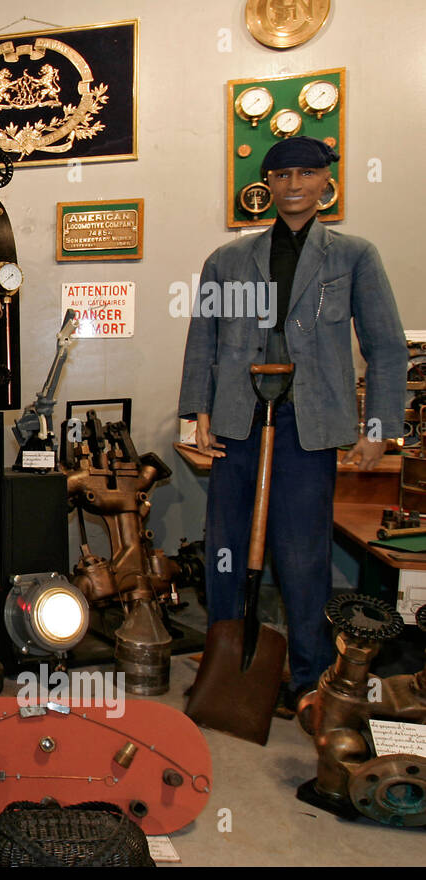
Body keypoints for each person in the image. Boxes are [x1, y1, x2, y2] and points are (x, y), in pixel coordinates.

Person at [178, 136, 407, 710]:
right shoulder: (226, 261)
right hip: (237, 421)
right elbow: (202, 340)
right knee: (226, 547)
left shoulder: (354, 255)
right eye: (281, 175)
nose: (294, 184)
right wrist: (198, 413)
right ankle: (224, 665)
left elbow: (385, 347)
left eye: (308, 173)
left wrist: (378, 426)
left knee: (303, 553)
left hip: (310, 425)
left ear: (328, 182)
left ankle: (310, 678)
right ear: (266, 187)